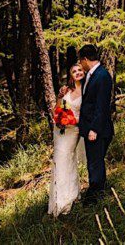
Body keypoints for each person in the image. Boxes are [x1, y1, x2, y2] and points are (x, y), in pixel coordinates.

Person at [77, 44, 114, 205]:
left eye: (80, 60)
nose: (80, 64)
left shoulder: (102, 75)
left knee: (95, 164)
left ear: (85, 59)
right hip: (90, 128)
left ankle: (93, 200)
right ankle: (97, 194)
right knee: (96, 162)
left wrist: (94, 129)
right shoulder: (90, 76)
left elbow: (102, 105)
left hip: (98, 130)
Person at [47, 64, 85, 216]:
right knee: (60, 161)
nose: (77, 73)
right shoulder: (66, 90)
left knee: (68, 160)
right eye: (74, 71)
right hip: (61, 131)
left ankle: (70, 197)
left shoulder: (87, 90)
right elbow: (59, 109)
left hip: (74, 130)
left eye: (79, 70)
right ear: (70, 75)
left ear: (84, 72)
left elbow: (86, 113)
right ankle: (59, 201)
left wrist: (73, 121)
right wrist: (59, 98)